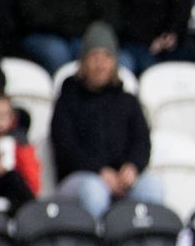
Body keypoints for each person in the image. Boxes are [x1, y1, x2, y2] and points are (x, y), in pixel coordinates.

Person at [50, 22, 164, 218]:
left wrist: (132, 167)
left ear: (115, 63)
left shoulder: (128, 101)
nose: (100, 64)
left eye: (107, 57)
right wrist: (99, 171)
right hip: (80, 178)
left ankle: (141, 245)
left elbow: (142, 141)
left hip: (122, 177)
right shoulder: (67, 100)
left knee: (151, 188)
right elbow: (65, 147)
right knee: (94, 191)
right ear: (83, 62)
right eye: (94, 57)